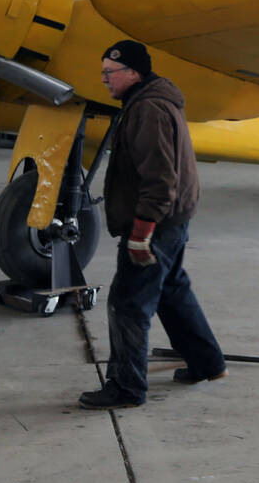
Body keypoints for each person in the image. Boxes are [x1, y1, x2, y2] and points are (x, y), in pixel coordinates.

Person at [79, 39, 227, 410]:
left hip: (155, 223)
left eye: (109, 73)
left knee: (127, 303)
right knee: (172, 291)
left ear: (133, 73)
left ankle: (127, 388)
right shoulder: (150, 103)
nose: (104, 80)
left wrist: (141, 232)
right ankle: (206, 363)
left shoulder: (148, 110)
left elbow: (160, 178)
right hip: (171, 221)